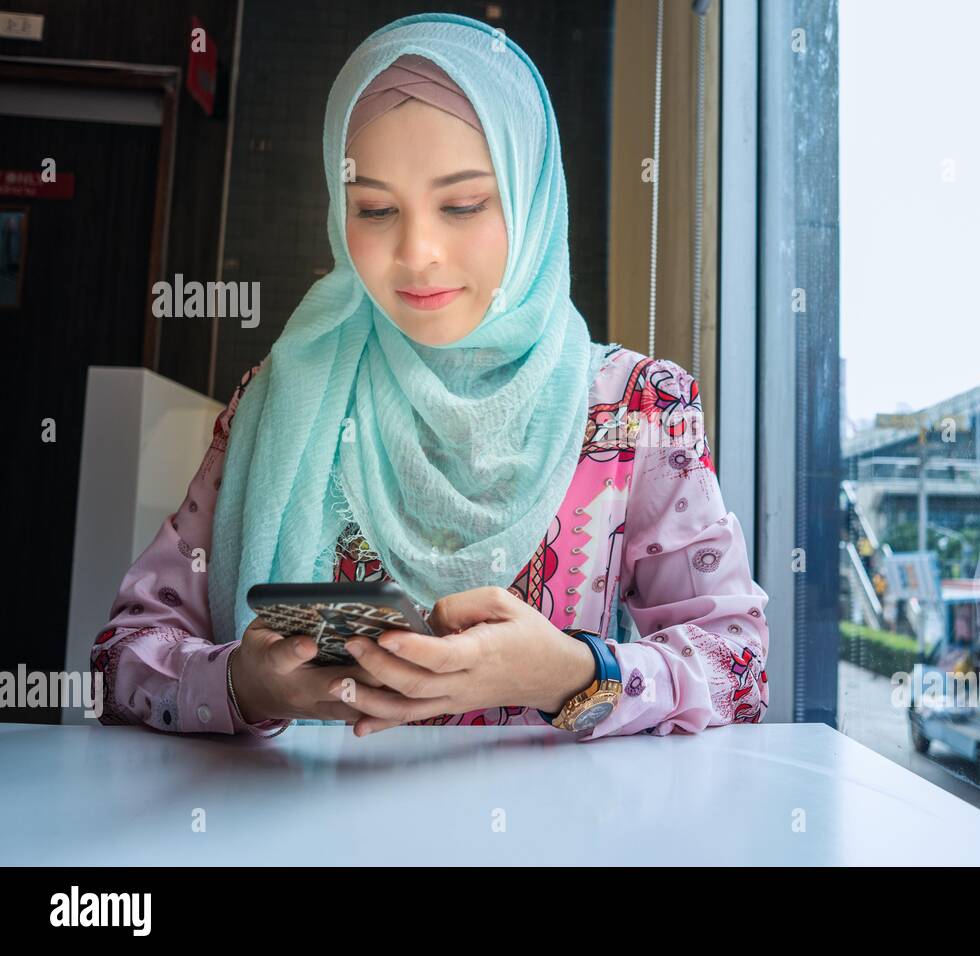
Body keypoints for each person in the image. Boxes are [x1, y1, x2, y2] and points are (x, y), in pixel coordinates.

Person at [90, 13, 768, 741]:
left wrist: (567, 673)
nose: (418, 251)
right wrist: (240, 684)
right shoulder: (280, 395)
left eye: (463, 204)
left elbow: (738, 668)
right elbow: (120, 658)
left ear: (532, 199)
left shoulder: (636, 408)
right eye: (374, 209)